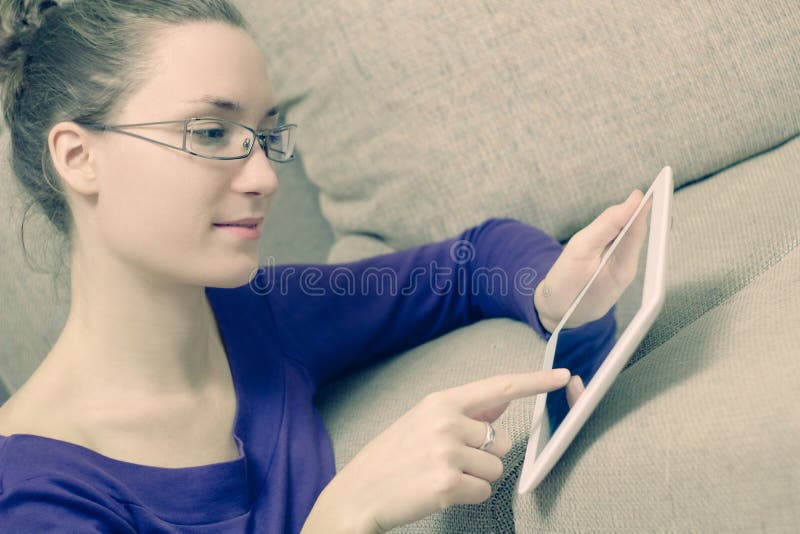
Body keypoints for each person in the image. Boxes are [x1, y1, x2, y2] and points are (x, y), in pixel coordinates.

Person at [0, 1, 649, 532]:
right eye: (210, 133)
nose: (264, 178)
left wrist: (559, 297)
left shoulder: (259, 319)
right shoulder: (39, 498)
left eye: (265, 136)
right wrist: (347, 513)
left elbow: (470, 262)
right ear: (79, 157)